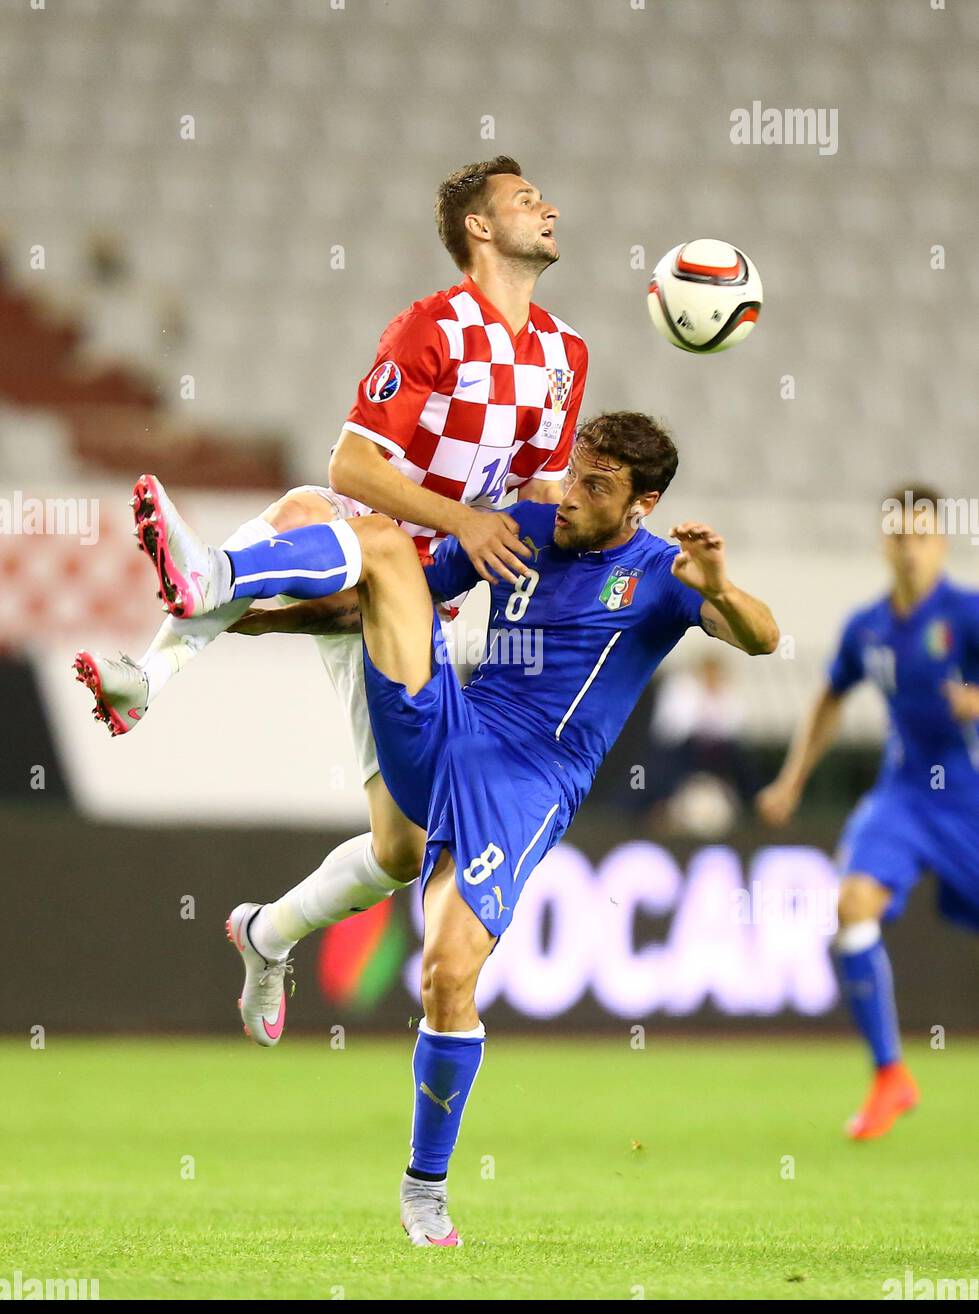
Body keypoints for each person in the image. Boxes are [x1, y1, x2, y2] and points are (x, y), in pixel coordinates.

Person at [128, 410, 779, 1244]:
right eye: (574, 473)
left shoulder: (663, 575)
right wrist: (258, 620)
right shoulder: (523, 526)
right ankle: (217, 580)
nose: (570, 496)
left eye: (597, 487)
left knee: (444, 972)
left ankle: (423, 1187)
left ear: (642, 505)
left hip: (526, 781)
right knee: (383, 544)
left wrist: (718, 584)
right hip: (449, 717)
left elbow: (761, 640)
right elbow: (382, 597)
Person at [74, 155, 589, 1004]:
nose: (550, 209)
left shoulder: (565, 356)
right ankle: (154, 666)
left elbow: (534, 497)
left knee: (402, 849)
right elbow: (351, 463)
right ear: (480, 227)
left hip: (408, 612)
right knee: (316, 514)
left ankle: (265, 932)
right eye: (528, 200)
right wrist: (459, 518)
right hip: (366, 547)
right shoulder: (430, 330)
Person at [758, 485, 979, 1140]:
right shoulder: (868, 627)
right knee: (852, 903)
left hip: (968, 800)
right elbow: (829, 697)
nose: (908, 547)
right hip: (904, 796)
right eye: (897, 535)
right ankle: (890, 1075)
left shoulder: (965, 615)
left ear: (940, 540)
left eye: (919, 535)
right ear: (884, 543)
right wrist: (790, 780)